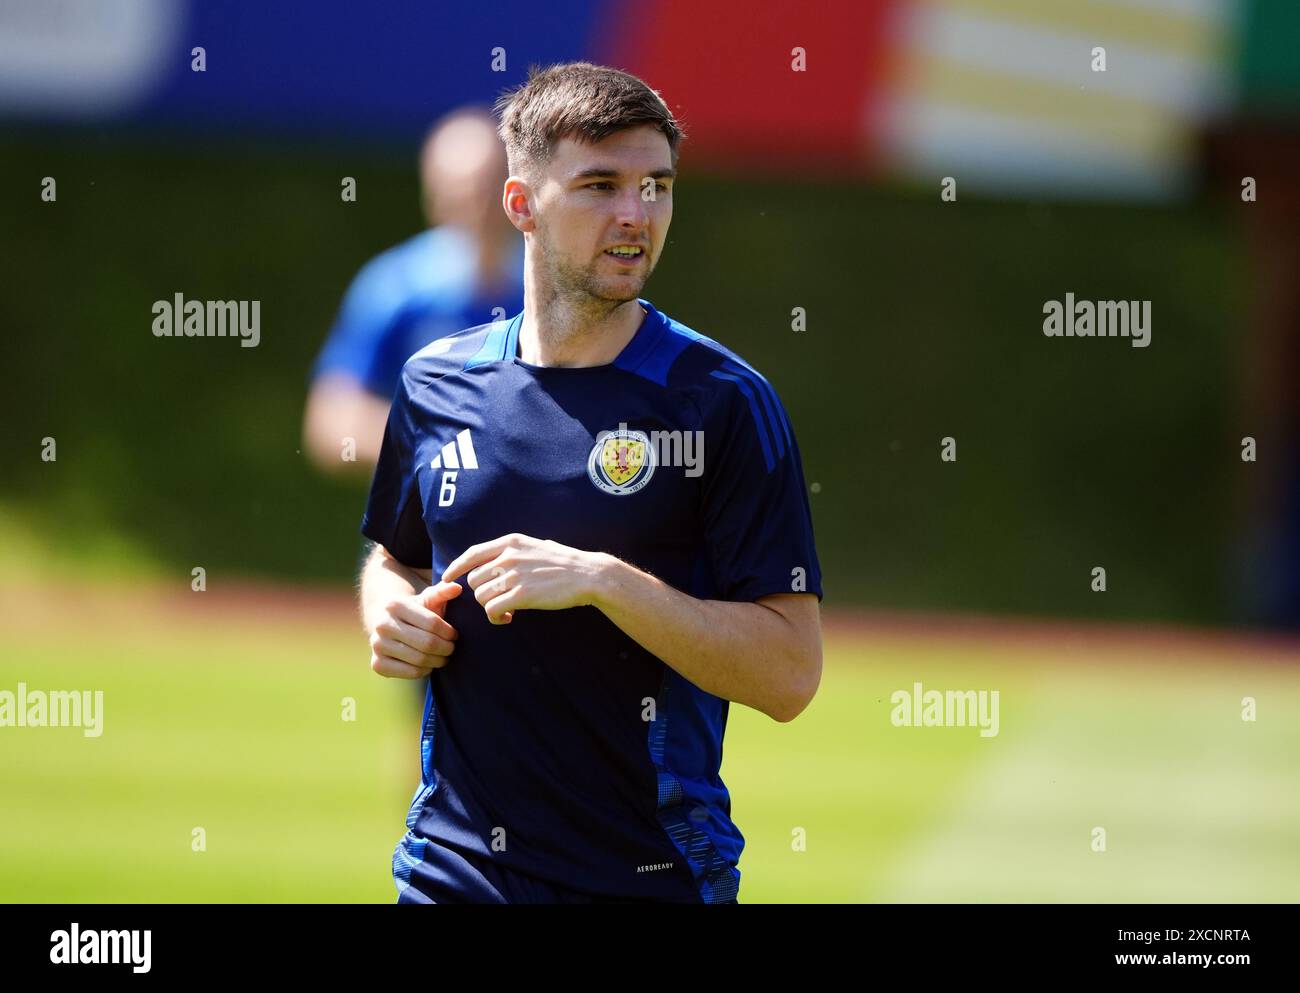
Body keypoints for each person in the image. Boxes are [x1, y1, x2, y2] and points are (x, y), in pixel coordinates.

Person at [357, 62, 823, 904]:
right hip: (451, 871)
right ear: (521, 206)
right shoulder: (435, 382)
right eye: (601, 185)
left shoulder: (722, 403)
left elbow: (790, 674)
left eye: (656, 186)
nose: (635, 215)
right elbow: (395, 556)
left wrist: (603, 581)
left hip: (648, 878)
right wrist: (386, 611)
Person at [303, 107, 524, 473]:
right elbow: (330, 422)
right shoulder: (395, 288)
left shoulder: (551, 288)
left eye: (489, 190)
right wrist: (443, 440)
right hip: (417, 525)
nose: (478, 212)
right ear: (432, 197)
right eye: (461, 195)